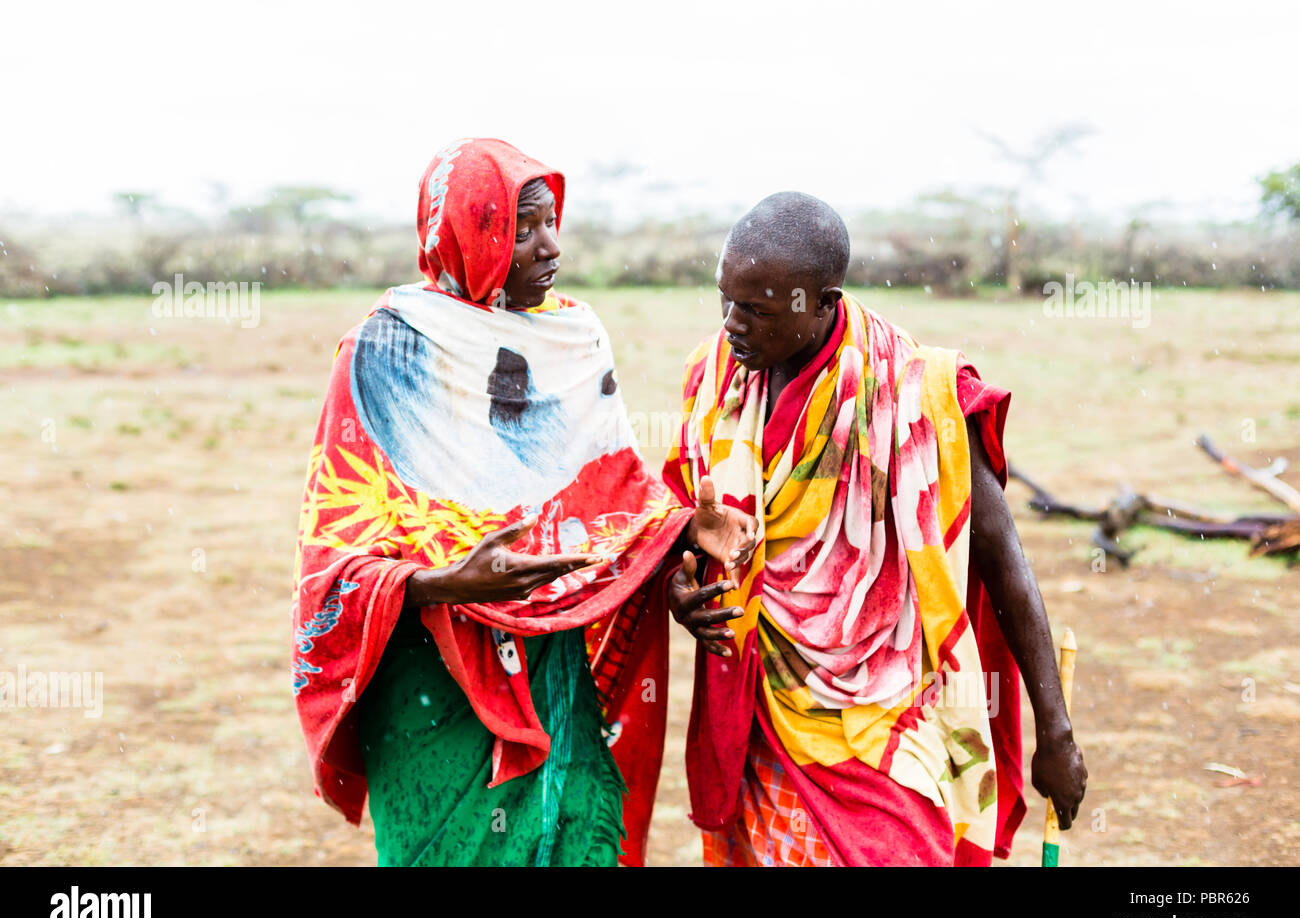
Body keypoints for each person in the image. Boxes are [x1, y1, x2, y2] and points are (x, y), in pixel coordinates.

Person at [291, 138, 753, 867]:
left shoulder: (573, 339)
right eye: (523, 227)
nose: (551, 247)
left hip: (550, 665)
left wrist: (685, 541)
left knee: (572, 833)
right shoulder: (383, 355)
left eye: (552, 223)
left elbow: (617, 503)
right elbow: (329, 561)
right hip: (430, 676)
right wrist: (447, 584)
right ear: (468, 235)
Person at [662, 191, 1087, 866]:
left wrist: (1055, 729)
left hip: (885, 703)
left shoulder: (915, 392)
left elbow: (1002, 553)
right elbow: (685, 526)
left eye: (758, 310)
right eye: (726, 301)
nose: (733, 324)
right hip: (758, 702)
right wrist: (679, 593)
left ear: (823, 302)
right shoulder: (713, 376)